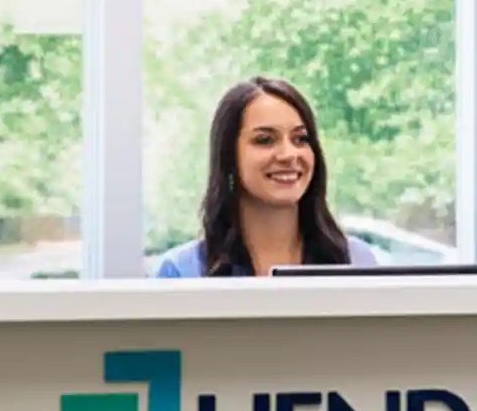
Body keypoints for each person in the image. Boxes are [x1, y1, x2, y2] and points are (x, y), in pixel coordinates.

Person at [153, 76, 378, 277]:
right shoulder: (183, 272)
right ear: (228, 156)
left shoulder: (357, 262)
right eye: (265, 140)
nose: (289, 154)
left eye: (300, 139)